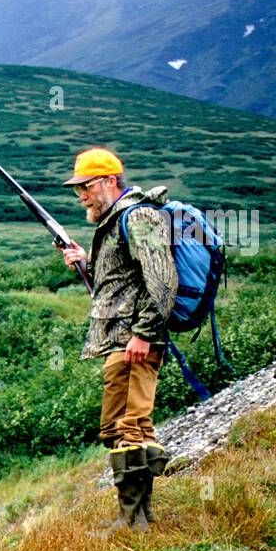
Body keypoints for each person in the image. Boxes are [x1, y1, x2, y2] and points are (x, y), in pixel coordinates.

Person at [59, 147, 178, 531]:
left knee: (121, 428)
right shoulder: (116, 220)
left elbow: (162, 279)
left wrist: (143, 335)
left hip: (133, 344)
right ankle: (143, 517)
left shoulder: (138, 216)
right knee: (133, 428)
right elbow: (125, 277)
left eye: (87, 186)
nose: (81, 195)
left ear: (110, 181)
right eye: (78, 188)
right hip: (123, 342)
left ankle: (131, 522)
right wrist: (86, 261)